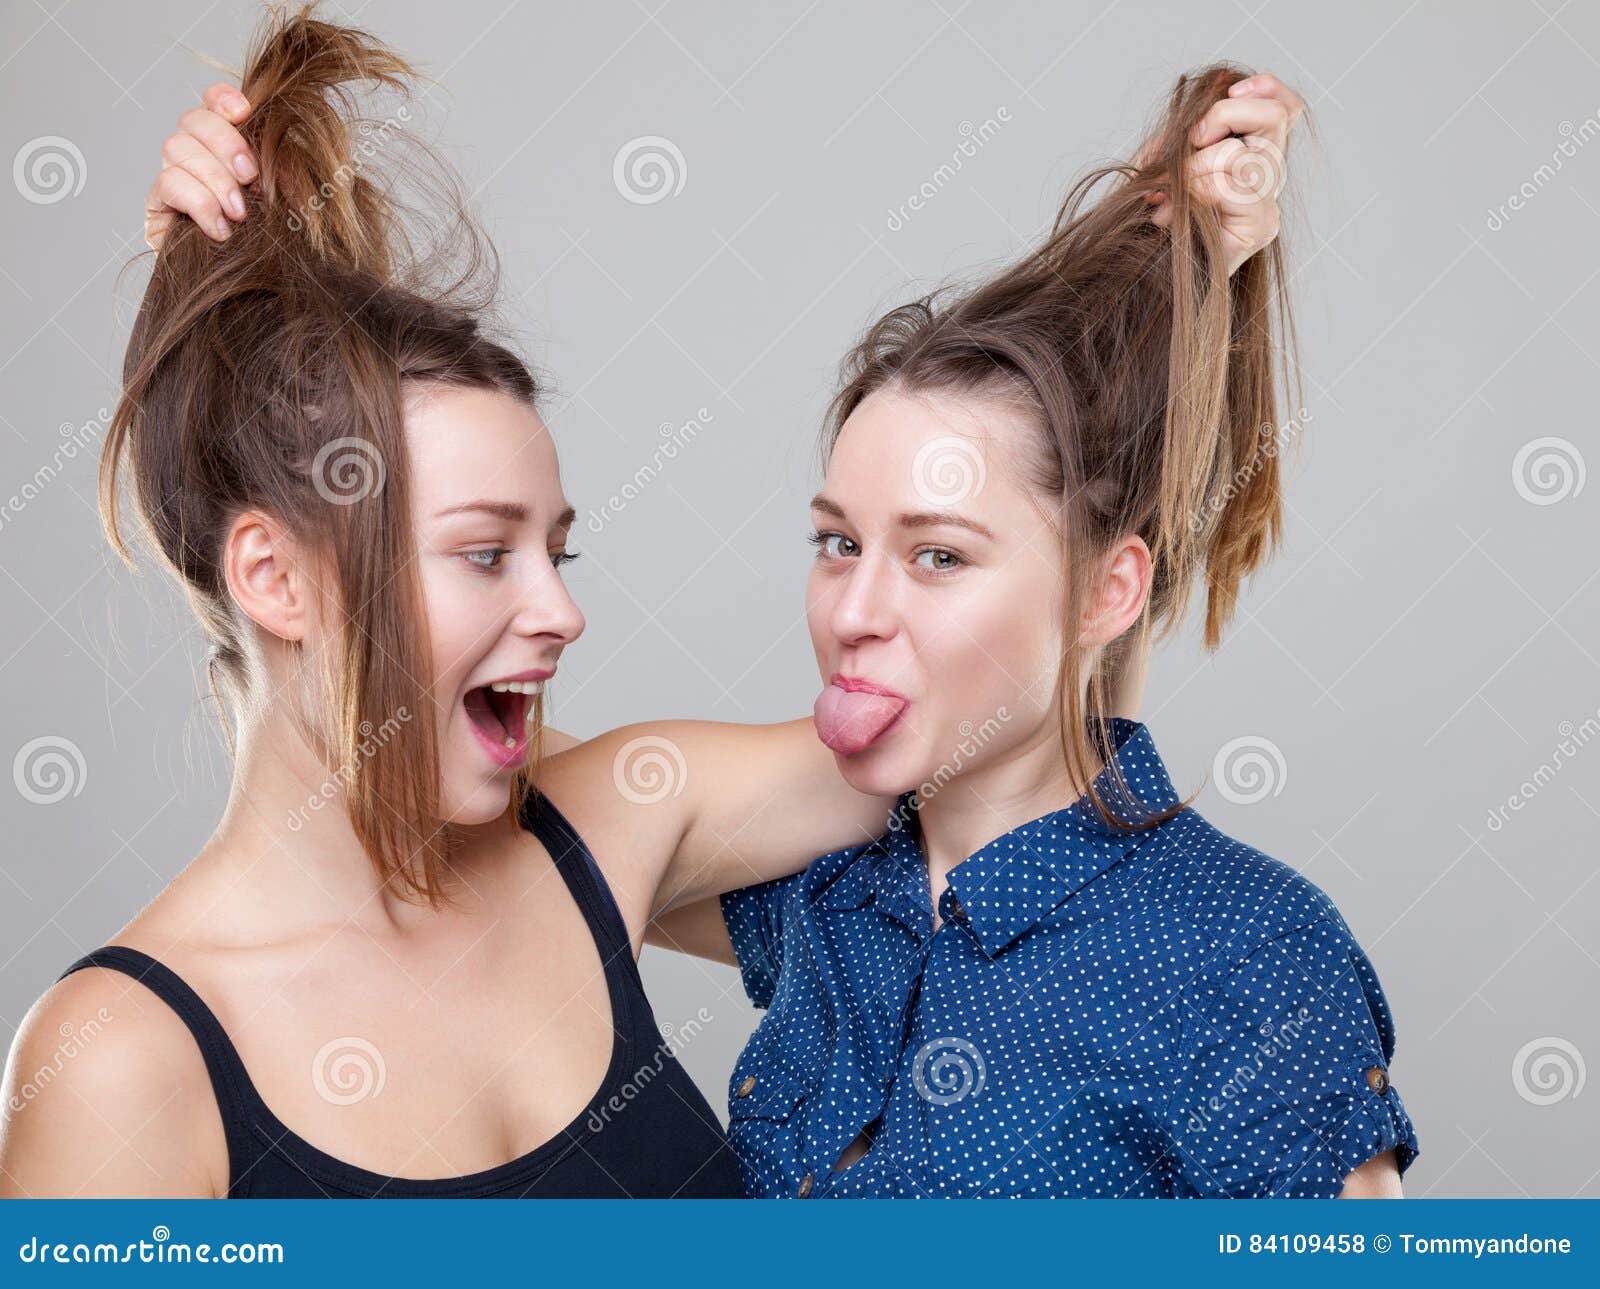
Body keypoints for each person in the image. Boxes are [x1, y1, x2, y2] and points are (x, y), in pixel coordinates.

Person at [0, 6, 1294, 1199]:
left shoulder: (598, 830)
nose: (561, 614)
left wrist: (1169, 259)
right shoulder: (122, 1061)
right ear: (273, 575)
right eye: (483, 553)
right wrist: (216, 346)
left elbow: (1013, 712)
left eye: (556, 554)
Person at [653, 69, 1418, 1198]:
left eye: (939, 555)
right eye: (838, 542)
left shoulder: (1251, 956)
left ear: (1109, 591)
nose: (852, 612)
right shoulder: (827, 891)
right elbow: (521, 835)